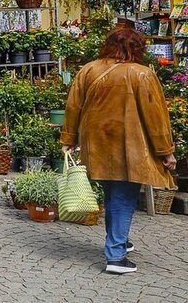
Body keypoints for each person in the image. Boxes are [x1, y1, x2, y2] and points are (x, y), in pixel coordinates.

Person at [63, 23, 179, 275]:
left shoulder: (88, 70)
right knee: (123, 198)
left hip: (97, 146)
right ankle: (115, 255)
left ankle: (120, 242)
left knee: (113, 195)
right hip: (130, 147)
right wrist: (166, 151)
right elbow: (156, 118)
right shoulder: (142, 74)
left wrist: (69, 139)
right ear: (136, 48)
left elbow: (73, 107)